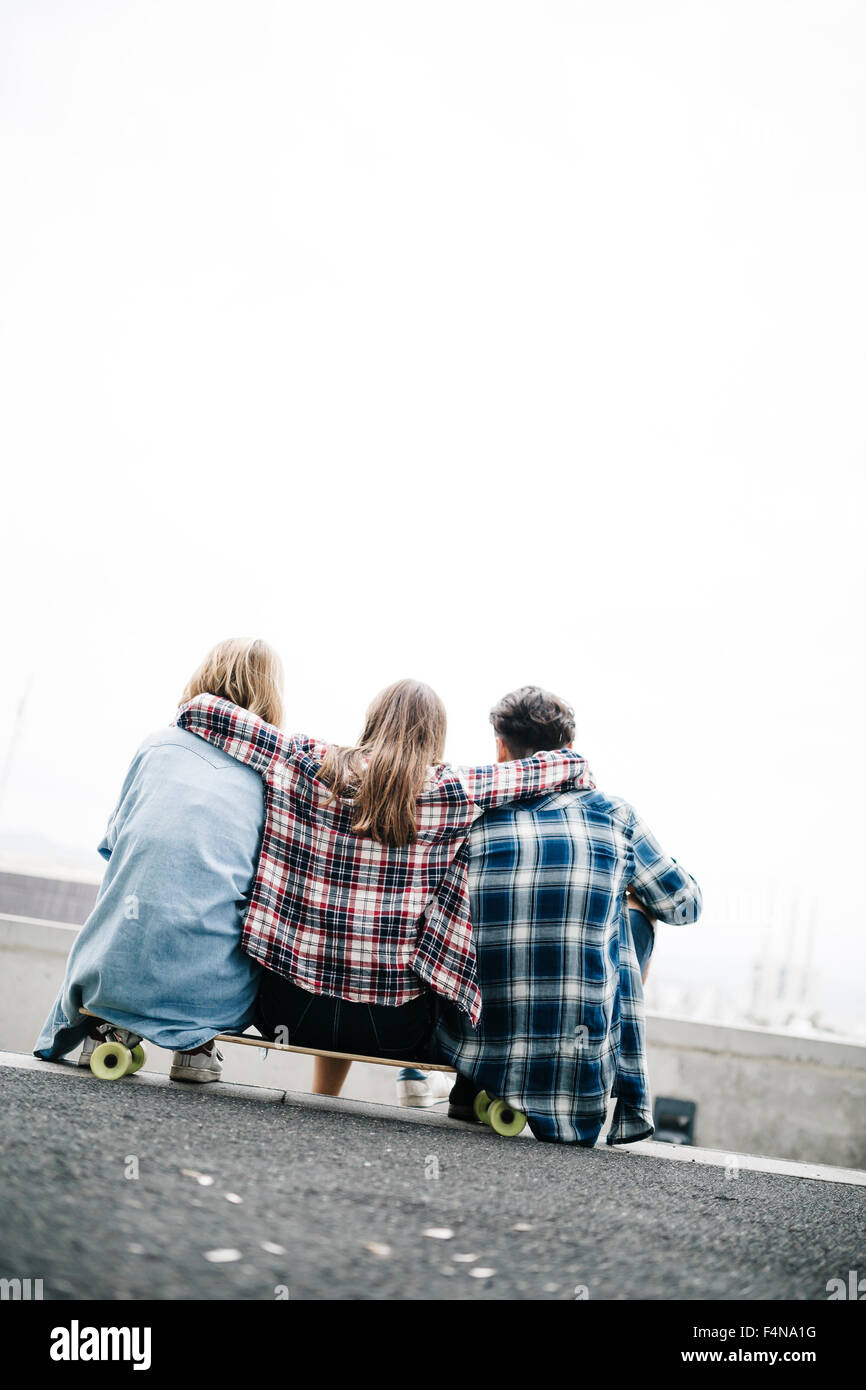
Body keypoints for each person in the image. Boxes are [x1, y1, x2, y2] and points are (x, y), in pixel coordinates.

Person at [175, 680, 594, 1095]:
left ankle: (320, 1090)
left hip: (284, 1011)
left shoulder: (307, 759)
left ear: (372, 720)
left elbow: (201, 710)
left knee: (331, 951)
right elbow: (565, 764)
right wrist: (583, 775)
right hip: (394, 1030)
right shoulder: (454, 788)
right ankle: (442, 1087)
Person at [425, 686, 702, 1144]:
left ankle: (473, 1086)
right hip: (576, 1060)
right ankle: (592, 1065)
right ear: (569, 748)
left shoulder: (475, 813)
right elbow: (685, 905)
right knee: (636, 915)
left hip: (473, 1040)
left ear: (500, 748)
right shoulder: (613, 814)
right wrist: (619, 884)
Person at [34, 638, 283, 1082]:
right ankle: (197, 1045)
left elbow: (115, 845)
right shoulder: (272, 773)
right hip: (212, 987)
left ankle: (108, 1027)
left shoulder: (157, 746)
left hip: (116, 968)